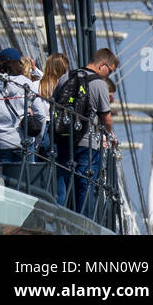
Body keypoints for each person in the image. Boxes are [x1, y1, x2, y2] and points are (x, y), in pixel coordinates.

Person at [52, 48, 118, 216]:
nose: (108, 75)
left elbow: (54, 105)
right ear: (103, 64)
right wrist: (110, 135)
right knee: (85, 182)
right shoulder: (99, 84)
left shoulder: (65, 77)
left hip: (63, 137)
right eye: (109, 70)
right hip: (87, 141)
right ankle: (83, 221)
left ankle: (59, 213)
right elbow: (106, 119)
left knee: (63, 177)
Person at [0, 48, 47, 183]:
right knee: (25, 183)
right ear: (18, 64)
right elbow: (41, 115)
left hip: (0, 142)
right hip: (24, 142)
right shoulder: (27, 84)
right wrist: (37, 140)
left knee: (2, 184)